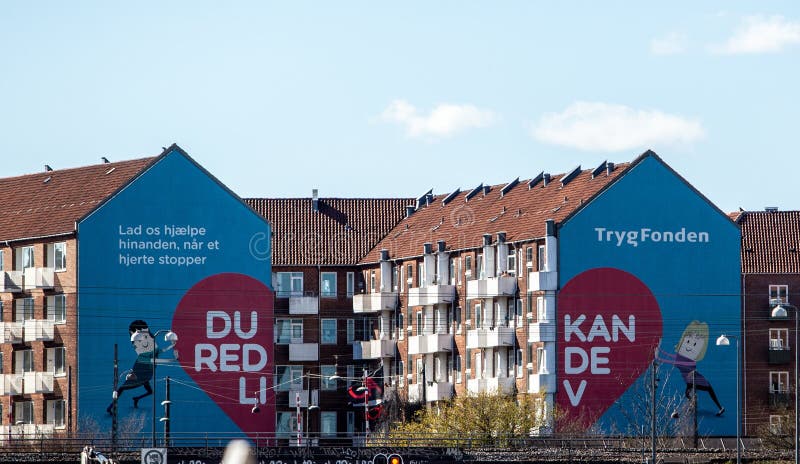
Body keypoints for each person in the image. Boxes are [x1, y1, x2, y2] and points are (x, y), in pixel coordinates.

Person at [107, 320, 177, 414]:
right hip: (140, 374)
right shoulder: (143, 356)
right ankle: (110, 406)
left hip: (147, 374)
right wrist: (173, 360)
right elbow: (156, 359)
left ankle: (136, 399)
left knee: (149, 391)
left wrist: (171, 346)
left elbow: (159, 351)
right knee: (123, 388)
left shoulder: (151, 345)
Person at [657, 320, 724, 416]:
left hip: (695, 380)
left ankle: (716, 407)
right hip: (690, 380)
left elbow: (671, 361)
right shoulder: (682, 355)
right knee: (689, 393)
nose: (689, 346)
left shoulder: (690, 359)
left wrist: (658, 356)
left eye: (695, 344)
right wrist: (659, 350)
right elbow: (671, 357)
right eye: (688, 341)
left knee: (704, 390)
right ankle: (697, 406)